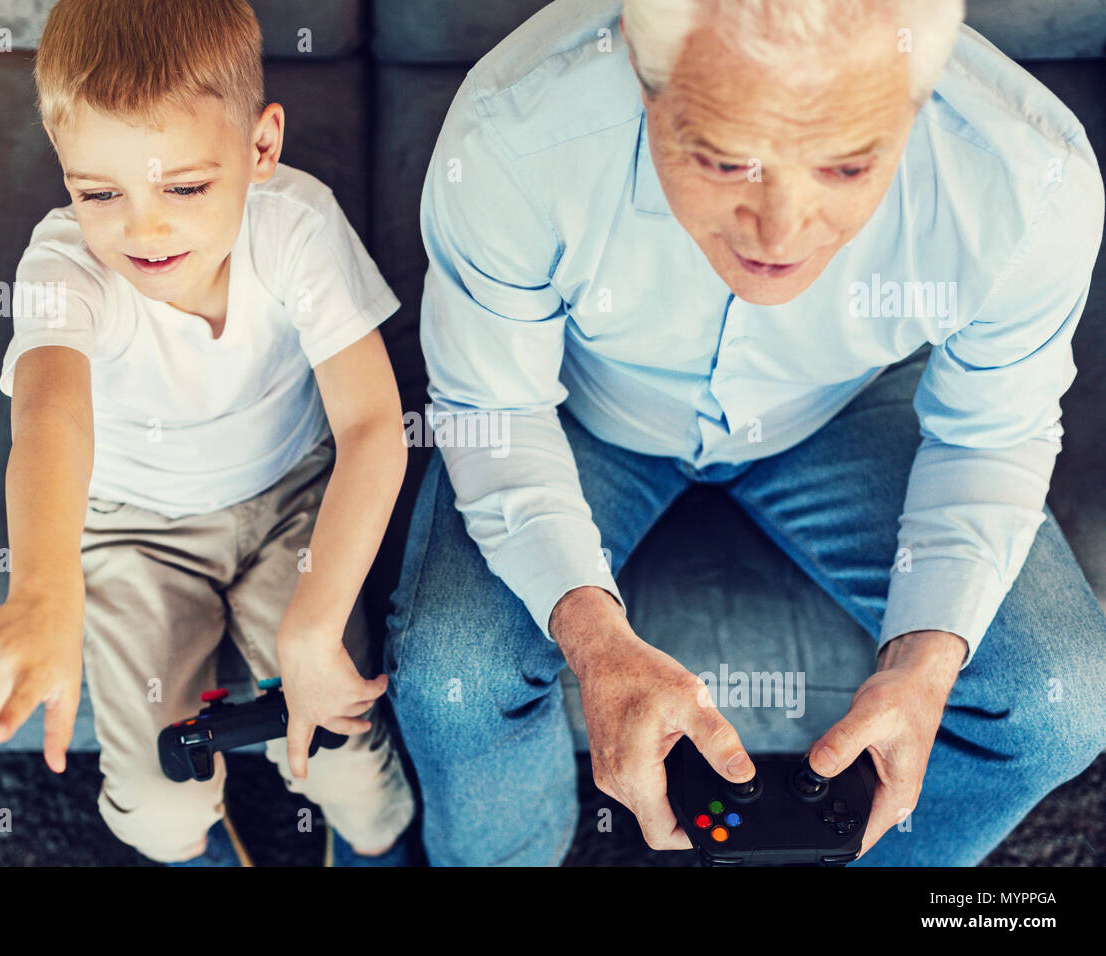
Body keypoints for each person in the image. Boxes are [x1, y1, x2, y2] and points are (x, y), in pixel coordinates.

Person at [385, 0, 1106, 865]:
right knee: (452, 681)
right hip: (577, 403)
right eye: (727, 162)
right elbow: (495, 410)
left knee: (1061, 701)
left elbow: (993, 434)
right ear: (646, 89)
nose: (781, 231)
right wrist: (590, 633)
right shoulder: (513, 132)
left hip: (845, 405)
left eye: (845, 168)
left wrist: (928, 656)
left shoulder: (1034, 181)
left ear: (914, 110)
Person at [0, 0, 415, 867]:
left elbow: (371, 425)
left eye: (186, 187)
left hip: (291, 502)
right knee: (161, 808)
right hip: (135, 528)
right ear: (66, 174)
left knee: (348, 767)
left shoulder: (299, 225)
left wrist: (314, 631)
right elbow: (49, 418)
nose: (144, 229)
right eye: (100, 193)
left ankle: (372, 846)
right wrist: (44, 591)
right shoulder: (64, 266)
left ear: (261, 148)